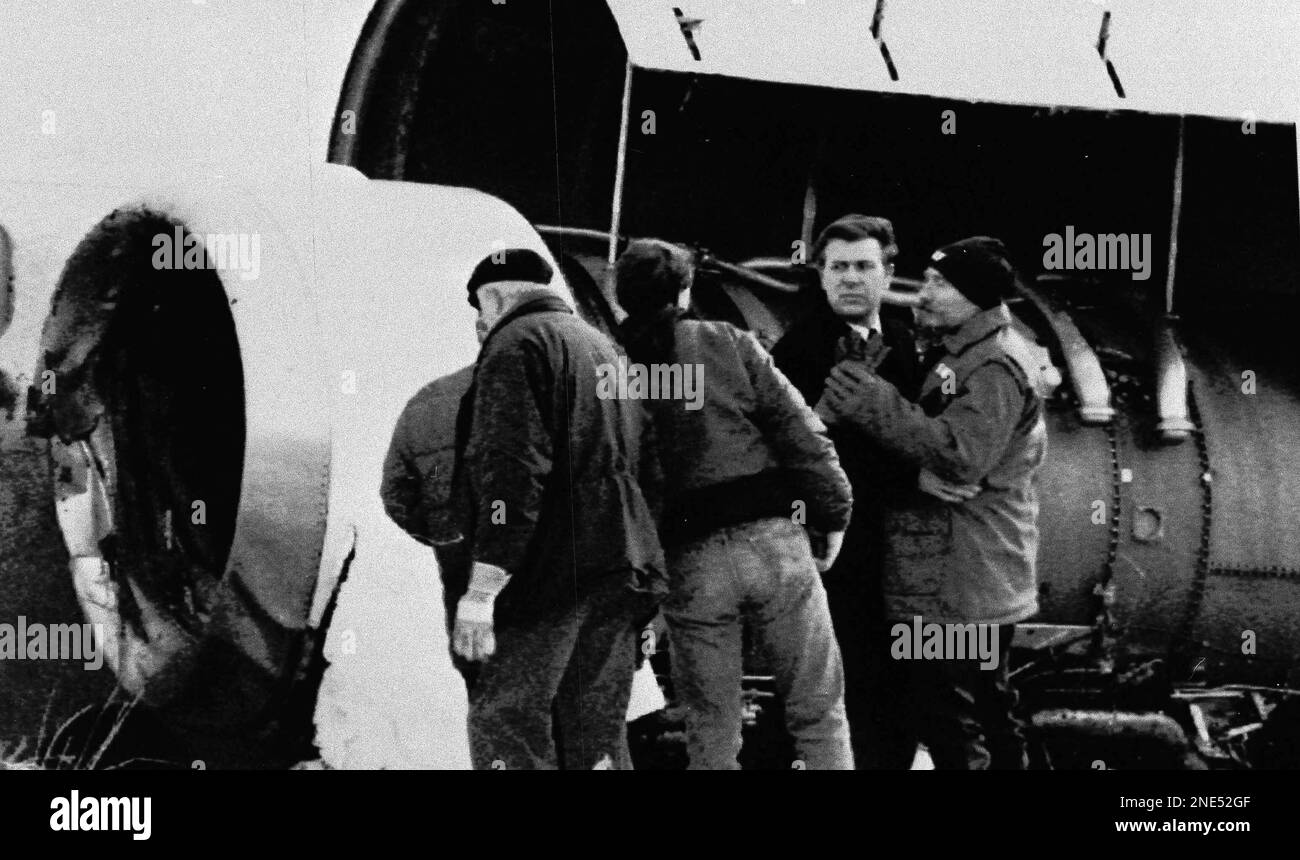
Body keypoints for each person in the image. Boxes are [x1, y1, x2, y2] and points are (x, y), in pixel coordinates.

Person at [616, 238, 855, 770]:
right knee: (817, 709)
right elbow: (802, 434)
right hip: (773, 545)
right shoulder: (728, 341)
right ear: (685, 289)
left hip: (687, 560)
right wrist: (833, 514)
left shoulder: (613, 363)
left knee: (711, 722)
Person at [819, 236, 1050, 769]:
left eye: (938, 283)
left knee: (950, 715)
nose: (923, 294)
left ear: (975, 296)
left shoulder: (993, 366)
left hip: (958, 581)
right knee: (988, 708)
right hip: (970, 575)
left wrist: (871, 399)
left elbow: (961, 456)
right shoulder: (971, 354)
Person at [450, 248, 666, 770]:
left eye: (478, 308)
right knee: (594, 730)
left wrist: (483, 587)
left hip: (552, 570)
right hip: (623, 566)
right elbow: (650, 465)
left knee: (507, 719)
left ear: (496, 297)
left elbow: (512, 470)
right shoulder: (604, 347)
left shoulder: (515, 344)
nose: (478, 324)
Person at [770, 213, 924, 769]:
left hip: (904, 547)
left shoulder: (910, 345)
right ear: (820, 274)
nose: (850, 279)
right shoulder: (794, 354)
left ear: (887, 274)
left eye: (863, 266)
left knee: (897, 685)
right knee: (830, 682)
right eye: (837, 267)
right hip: (829, 548)